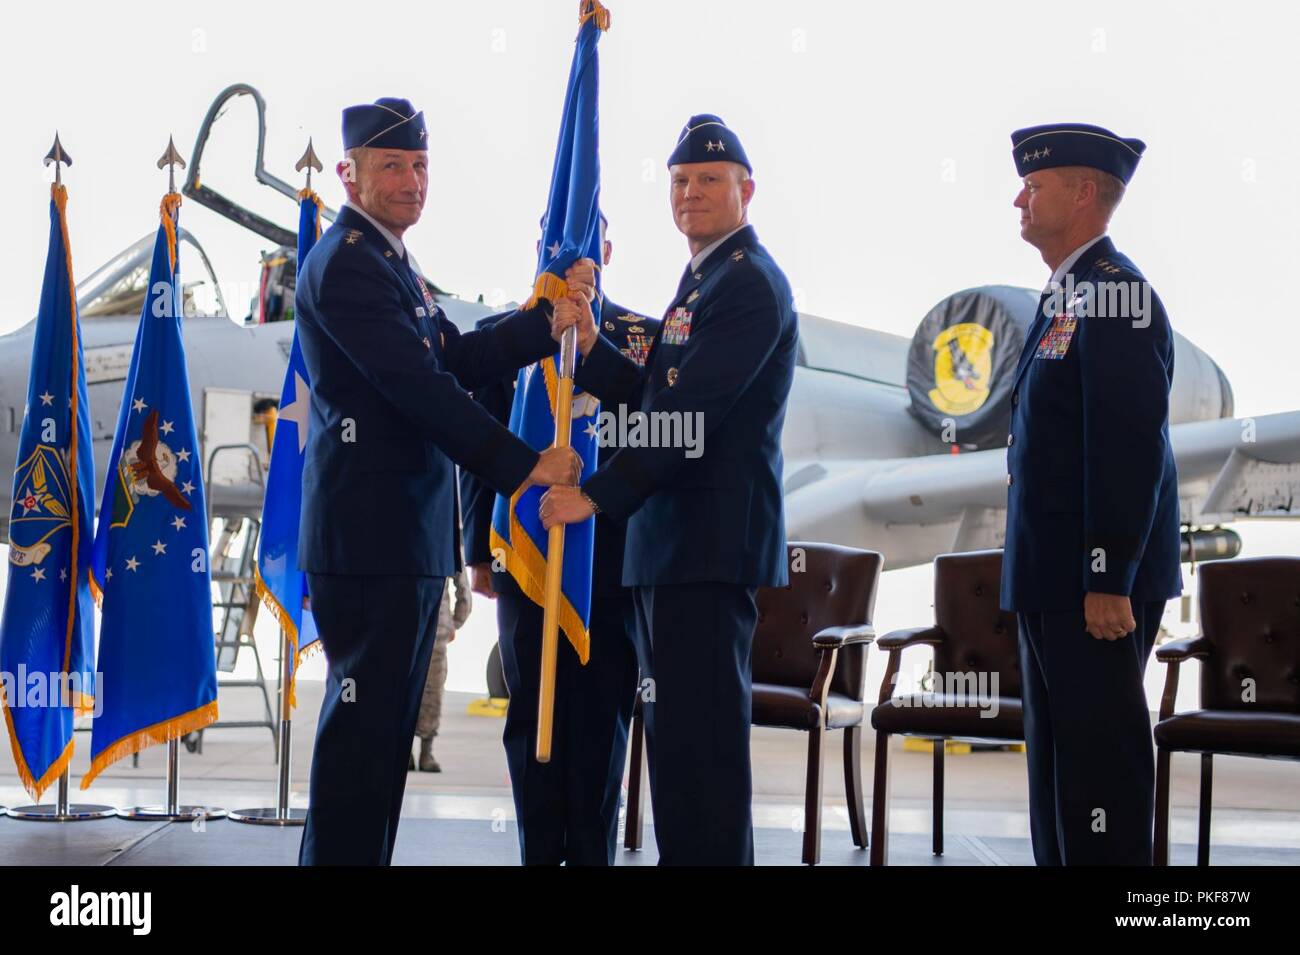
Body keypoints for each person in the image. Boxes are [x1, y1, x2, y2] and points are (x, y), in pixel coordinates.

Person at [294, 96, 591, 866]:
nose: (411, 179)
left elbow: (451, 355)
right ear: (348, 174)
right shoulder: (349, 263)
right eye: (391, 165)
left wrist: (541, 323)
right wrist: (527, 467)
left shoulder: (389, 259)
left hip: (401, 541)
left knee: (383, 744)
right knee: (362, 746)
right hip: (369, 545)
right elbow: (422, 390)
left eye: (420, 165)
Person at [540, 114, 798, 865]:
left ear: (746, 190)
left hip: (706, 552)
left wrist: (597, 495)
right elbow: (657, 393)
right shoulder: (706, 276)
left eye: (710, 181)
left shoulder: (748, 283)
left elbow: (690, 420)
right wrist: (591, 349)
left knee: (703, 762)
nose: (691, 194)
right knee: (680, 761)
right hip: (670, 549)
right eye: (680, 182)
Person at [1001, 123, 1182, 865]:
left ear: (1082, 193)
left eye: (1035, 186)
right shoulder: (1069, 293)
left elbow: (1126, 444)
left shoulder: (1116, 296)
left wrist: (1108, 576)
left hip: (1092, 585)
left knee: (1100, 778)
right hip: (1052, 580)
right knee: (1058, 776)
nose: (1019, 198)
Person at [460, 214, 659, 865]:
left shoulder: (640, 339)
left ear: (608, 250)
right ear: (539, 247)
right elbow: (478, 446)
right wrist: (476, 550)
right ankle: (539, 854)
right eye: (557, 238)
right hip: (526, 553)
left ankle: (593, 853)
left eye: (587, 239)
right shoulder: (505, 335)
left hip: (610, 556)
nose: (574, 252)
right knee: (530, 718)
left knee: (602, 715)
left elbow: (656, 438)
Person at [410, 565, 471, 773]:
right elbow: (462, 584)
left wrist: (455, 621)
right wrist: (456, 620)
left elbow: (461, 583)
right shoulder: (443, 532)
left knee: (414, 689)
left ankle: (420, 751)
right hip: (433, 621)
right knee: (430, 690)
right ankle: (418, 752)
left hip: (424, 623)